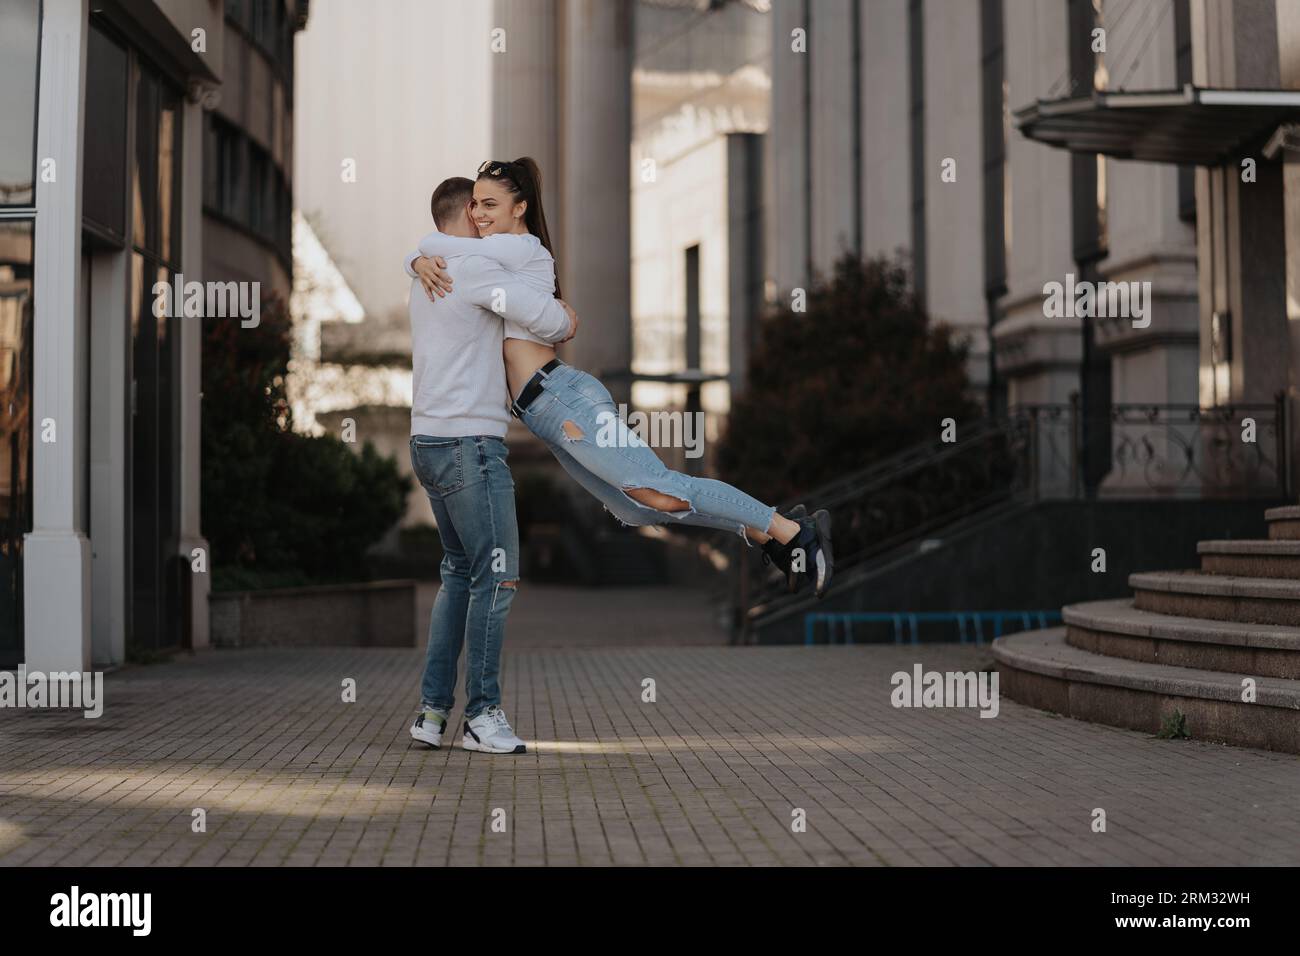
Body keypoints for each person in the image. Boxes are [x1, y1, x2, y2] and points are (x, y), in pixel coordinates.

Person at [406, 158, 833, 596]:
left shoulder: (519, 247)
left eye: (489, 203)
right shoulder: (494, 253)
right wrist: (418, 262)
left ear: (521, 207)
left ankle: (792, 531)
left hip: (561, 397)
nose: (477, 214)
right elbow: (446, 251)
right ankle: (764, 532)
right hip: (542, 409)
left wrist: (418, 257)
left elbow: (439, 244)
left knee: (657, 488)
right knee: (639, 510)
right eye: (474, 204)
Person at [404, 176, 578, 756]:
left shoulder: (428, 271)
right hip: (470, 446)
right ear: (460, 220)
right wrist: (566, 316)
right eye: (477, 212)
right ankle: (481, 715)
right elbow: (552, 322)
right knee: (497, 577)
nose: (486, 221)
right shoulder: (474, 272)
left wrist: (415, 257)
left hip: (428, 441)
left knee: (458, 573)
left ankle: (432, 713)